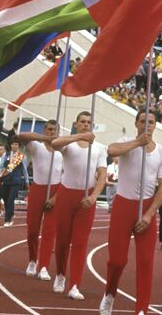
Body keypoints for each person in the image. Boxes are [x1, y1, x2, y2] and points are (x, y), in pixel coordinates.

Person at [100, 110, 162, 315]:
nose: (146, 125)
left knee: (146, 262)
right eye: (143, 121)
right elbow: (111, 150)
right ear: (136, 123)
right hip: (124, 205)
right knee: (117, 260)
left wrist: (150, 215)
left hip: (147, 208)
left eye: (150, 122)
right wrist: (136, 143)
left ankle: (141, 308)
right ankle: (109, 294)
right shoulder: (126, 142)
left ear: (155, 125)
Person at [49, 111, 109, 300]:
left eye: (89, 122)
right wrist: (79, 136)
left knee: (80, 243)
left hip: (86, 198)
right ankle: (60, 275)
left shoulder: (99, 148)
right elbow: (54, 143)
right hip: (66, 194)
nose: (86, 125)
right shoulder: (69, 143)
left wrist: (94, 197)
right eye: (82, 122)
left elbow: (102, 175)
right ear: (76, 124)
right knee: (62, 242)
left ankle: (75, 284)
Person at [15, 121, 65, 280]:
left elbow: (66, 175)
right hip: (38, 189)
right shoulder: (37, 147)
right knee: (32, 230)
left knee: (50, 231)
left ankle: (43, 266)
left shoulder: (62, 150)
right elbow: (21, 136)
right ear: (44, 130)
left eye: (55, 130)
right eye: (49, 129)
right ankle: (32, 260)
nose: (52, 132)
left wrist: (56, 197)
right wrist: (45, 138)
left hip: (56, 190)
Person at [0, 140, 28, 227]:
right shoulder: (6, 155)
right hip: (6, 179)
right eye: (13, 144)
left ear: (18, 146)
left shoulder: (22, 156)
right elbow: (1, 166)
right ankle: (10, 214)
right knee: (5, 199)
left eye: (16, 144)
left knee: (11, 199)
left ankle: (7, 220)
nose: (14, 146)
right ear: (10, 145)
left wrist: (27, 181)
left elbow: (24, 170)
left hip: (16, 180)